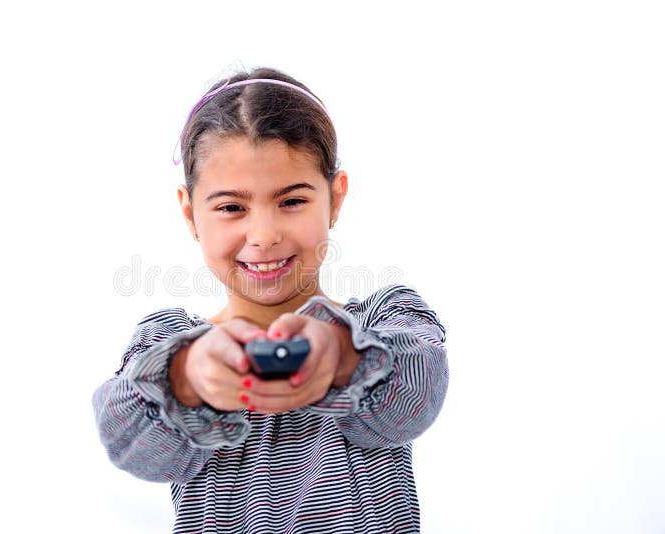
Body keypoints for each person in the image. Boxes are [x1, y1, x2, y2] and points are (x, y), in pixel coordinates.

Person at [92, 67, 448, 533]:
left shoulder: (386, 321)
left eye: (292, 201)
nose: (263, 236)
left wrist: (342, 357)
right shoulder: (168, 343)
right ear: (190, 212)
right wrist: (186, 375)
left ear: (335, 199)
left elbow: (419, 390)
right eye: (231, 208)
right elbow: (126, 439)